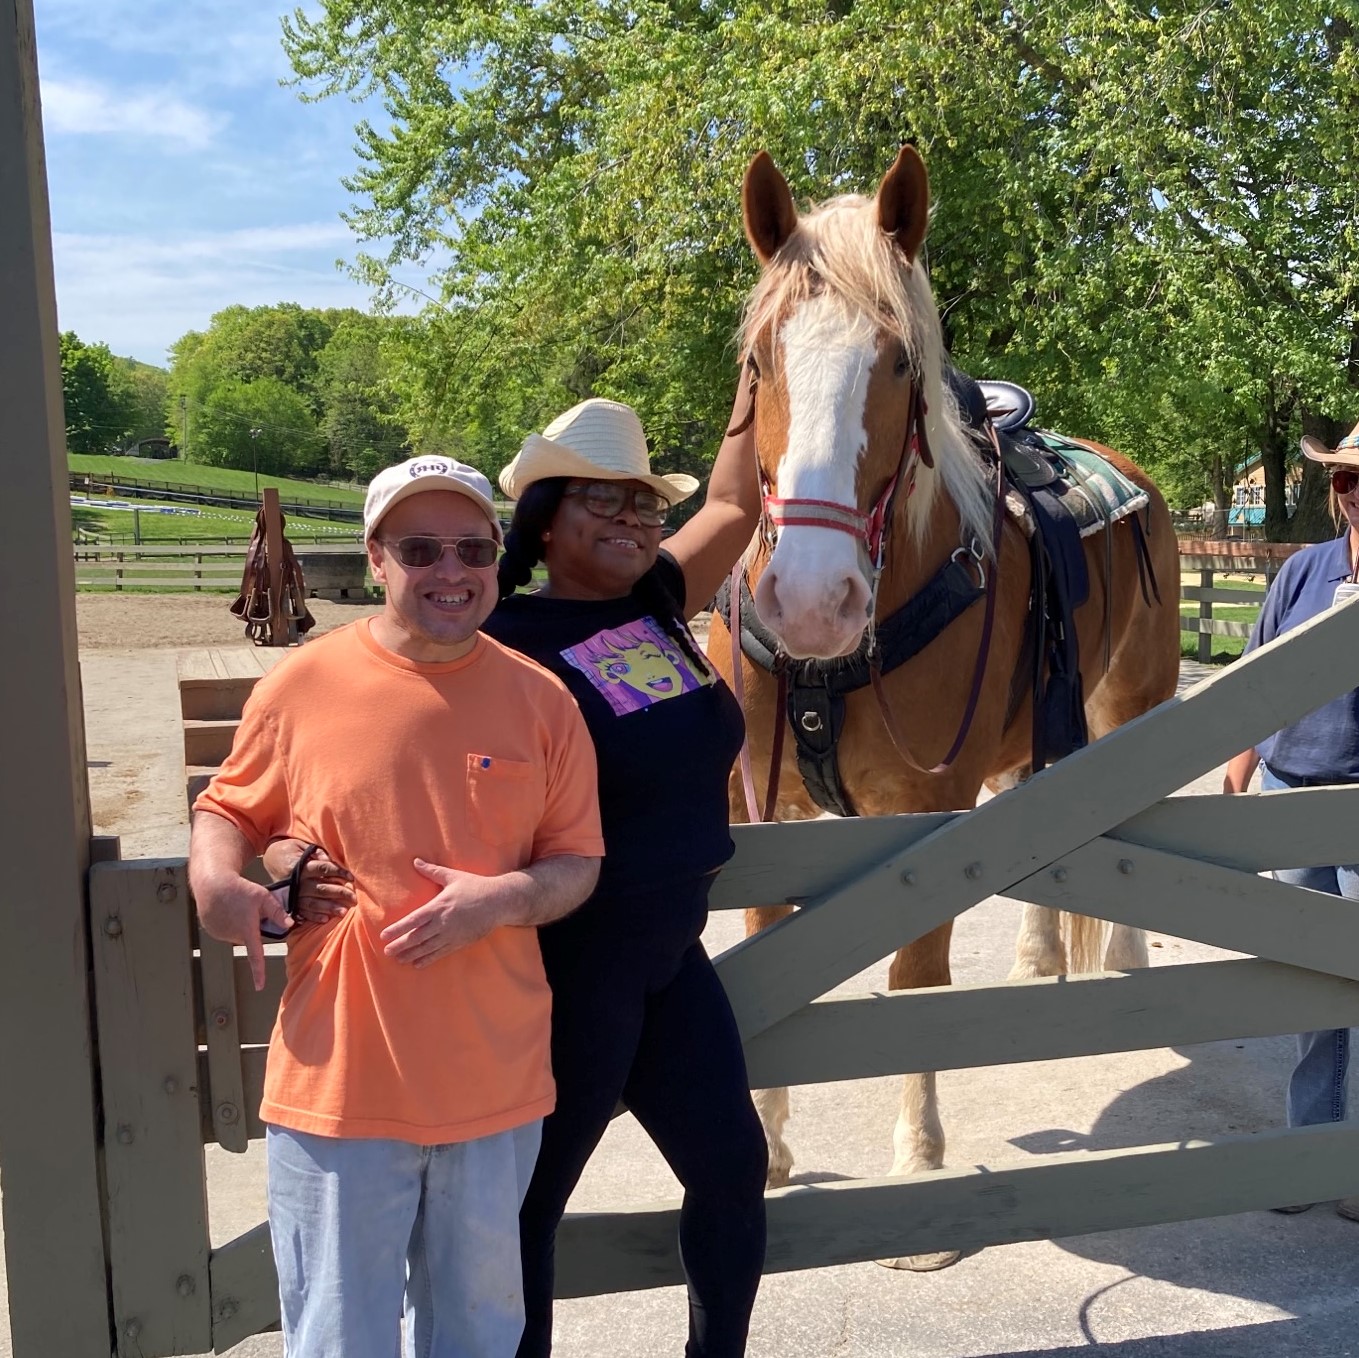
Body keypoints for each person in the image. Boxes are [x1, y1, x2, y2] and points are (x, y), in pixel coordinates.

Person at [272, 386, 768, 1355]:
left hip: (671, 954)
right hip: (565, 968)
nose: (633, 519)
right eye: (604, 499)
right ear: (546, 518)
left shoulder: (658, 598)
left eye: (644, 504)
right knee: (525, 1216)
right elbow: (360, 749)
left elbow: (738, 504)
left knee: (731, 1169)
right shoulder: (498, 638)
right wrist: (291, 854)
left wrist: (758, 369)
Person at [189, 455, 606, 1358]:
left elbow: (576, 863)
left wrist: (501, 900)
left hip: (495, 1089)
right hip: (338, 1088)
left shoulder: (543, 699)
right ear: (376, 558)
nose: (449, 571)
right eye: (420, 548)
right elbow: (228, 806)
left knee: (479, 1337)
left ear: (498, 558)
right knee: (338, 1340)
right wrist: (218, 883)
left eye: (471, 548)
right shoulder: (302, 684)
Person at [1223, 420, 1359, 1222]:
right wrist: (1237, 768)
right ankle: (1305, 1153)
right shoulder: (1304, 570)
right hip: (1287, 793)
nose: (1346, 492)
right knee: (1306, 984)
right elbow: (1255, 673)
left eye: (1357, 479)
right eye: (1341, 479)